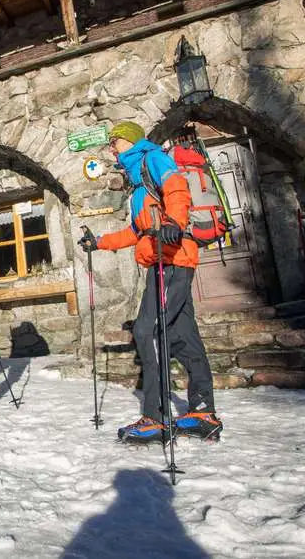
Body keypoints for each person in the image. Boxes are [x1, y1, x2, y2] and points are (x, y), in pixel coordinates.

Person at [79, 121, 223, 443]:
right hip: (162, 260)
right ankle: (203, 411)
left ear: (129, 141)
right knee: (183, 335)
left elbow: (176, 189)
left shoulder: (151, 158)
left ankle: (155, 417)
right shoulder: (137, 185)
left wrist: (174, 221)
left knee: (148, 330)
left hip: (172, 259)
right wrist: (99, 242)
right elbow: (136, 232)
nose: (111, 149)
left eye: (114, 142)